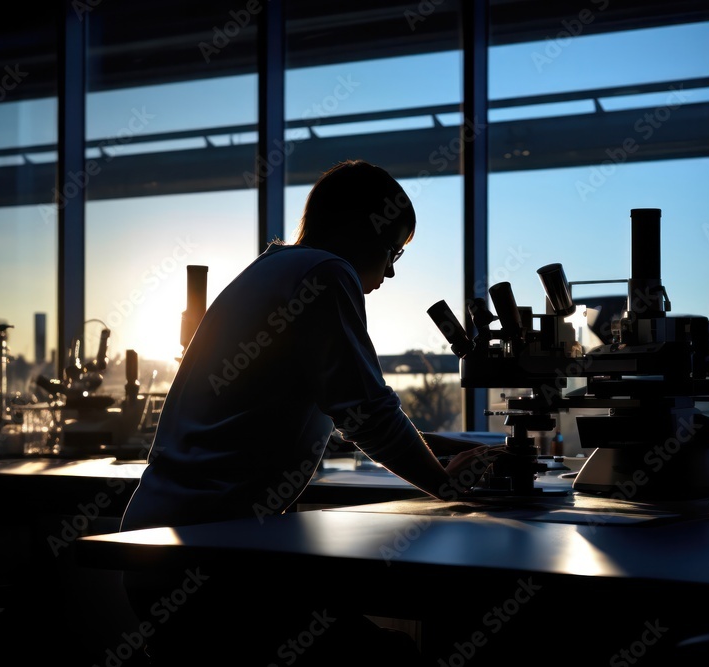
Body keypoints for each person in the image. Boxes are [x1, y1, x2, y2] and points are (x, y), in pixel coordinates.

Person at [118, 159, 496, 666]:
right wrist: (445, 485)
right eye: (393, 250)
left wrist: (441, 448)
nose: (390, 269)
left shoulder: (272, 269)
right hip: (207, 560)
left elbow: (328, 409)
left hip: (166, 545)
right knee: (395, 660)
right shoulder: (326, 273)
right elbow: (365, 412)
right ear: (358, 230)